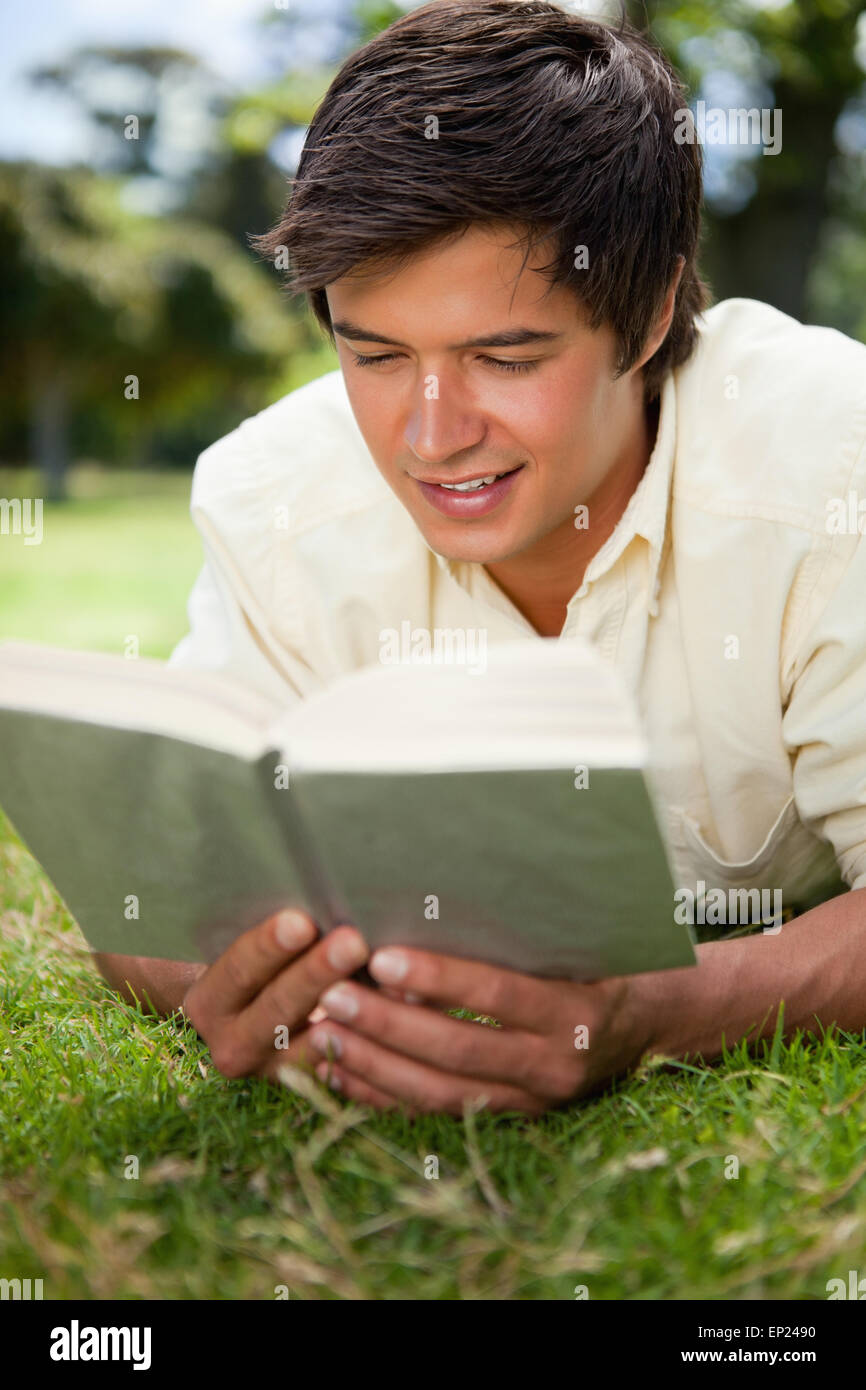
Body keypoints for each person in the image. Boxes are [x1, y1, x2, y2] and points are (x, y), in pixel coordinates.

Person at [94, 0, 866, 1116]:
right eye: (376, 354)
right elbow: (146, 883)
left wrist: (670, 1009)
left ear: (645, 318)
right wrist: (210, 973)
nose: (430, 433)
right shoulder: (274, 499)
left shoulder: (825, 460)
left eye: (504, 358)